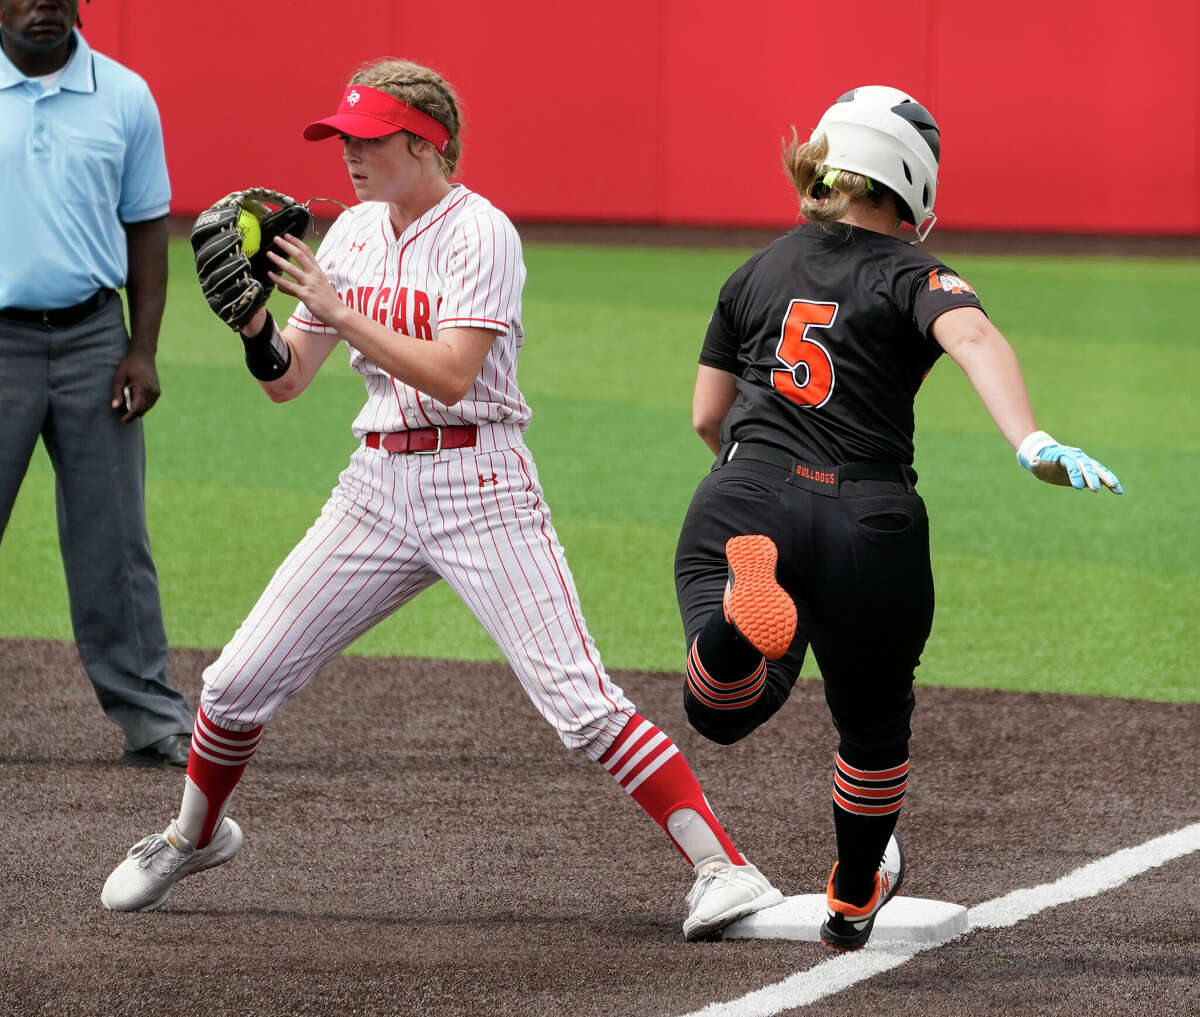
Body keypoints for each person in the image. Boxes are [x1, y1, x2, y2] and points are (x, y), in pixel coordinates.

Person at [101, 57, 782, 938]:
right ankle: (190, 836)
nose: (348, 153)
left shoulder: (481, 233)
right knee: (233, 684)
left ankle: (724, 867)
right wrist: (256, 326)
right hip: (376, 486)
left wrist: (340, 314)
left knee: (578, 701)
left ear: (426, 143)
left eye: (368, 138)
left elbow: (456, 375)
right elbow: (287, 381)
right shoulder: (345, 234)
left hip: (480, 483)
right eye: (341, 138)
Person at [673, 85, 1122, 951]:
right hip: (870, 518)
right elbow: (974, 339)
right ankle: (850, 889)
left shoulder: (754, 270)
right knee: (873, 723)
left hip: (747, 491)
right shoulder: (920, 272)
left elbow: (706, 415)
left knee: (723, 711)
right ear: (910, 182)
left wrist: (764, 484)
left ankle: (736, 630)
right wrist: (1030, 439)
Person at [0, 0, 193, 768]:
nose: (44, 5)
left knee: (114, 542)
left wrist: (142, 348)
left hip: (91, 338)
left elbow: (147, 224)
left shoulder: (124, 94)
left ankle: (151, 715)